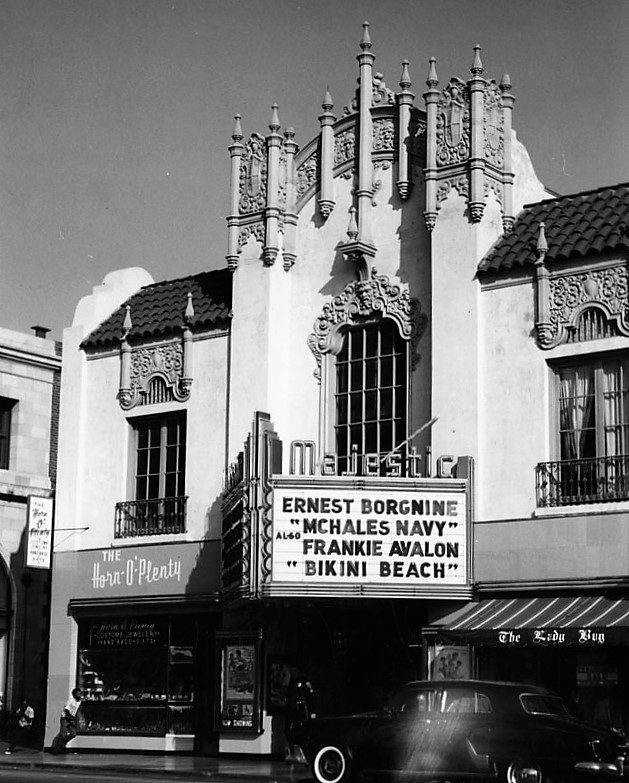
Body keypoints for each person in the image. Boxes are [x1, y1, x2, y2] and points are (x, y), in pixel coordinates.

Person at [284, 667, 316, 764]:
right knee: (288, 731)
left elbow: (311, 697)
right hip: (291, 711)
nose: (292, 672)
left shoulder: (304, 682)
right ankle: (293, 753)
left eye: (294, 670)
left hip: (301, 711)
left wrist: (312, 712)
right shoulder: (291, 682)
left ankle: (304, 754)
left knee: (302, 733)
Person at [50, 688, 82, 755]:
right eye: (78, 694)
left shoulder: (79, 702)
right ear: (74, 694)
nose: (80, 695)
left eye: (80, 693)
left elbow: (76, 711)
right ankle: (56, 749)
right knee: (63, 733)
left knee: (73, 733)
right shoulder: (71, 701)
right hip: (65, 718)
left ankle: (62, 743)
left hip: (71, 719)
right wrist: (71, 718)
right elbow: (66, 711)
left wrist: (76, 719)